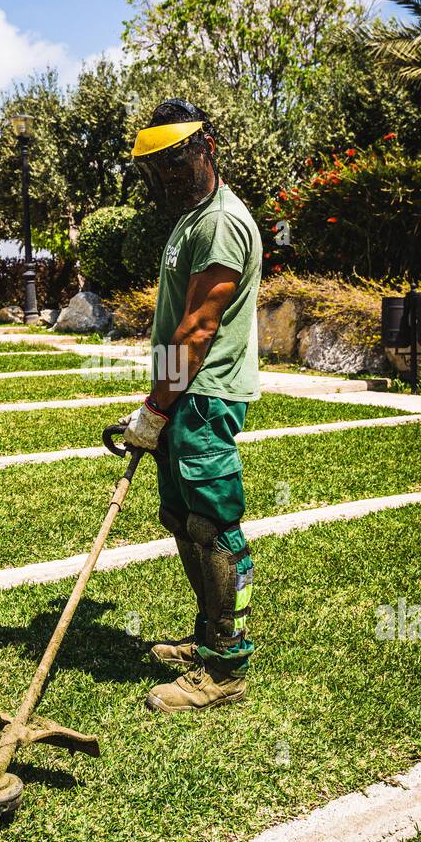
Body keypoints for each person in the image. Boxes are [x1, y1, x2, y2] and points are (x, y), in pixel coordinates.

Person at [117, 98, 262, 714]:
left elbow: (200, 329)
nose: (168, 178)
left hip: (204, 398)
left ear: (207, 148)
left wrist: (157, 410)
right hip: (183, 398)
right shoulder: (191, 218)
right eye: (157, 171)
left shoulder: (221, 221)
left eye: (177, 163)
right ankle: (207, 638)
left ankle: (226, 665)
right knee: (182, 519)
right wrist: (154, 410)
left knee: (212, 527)